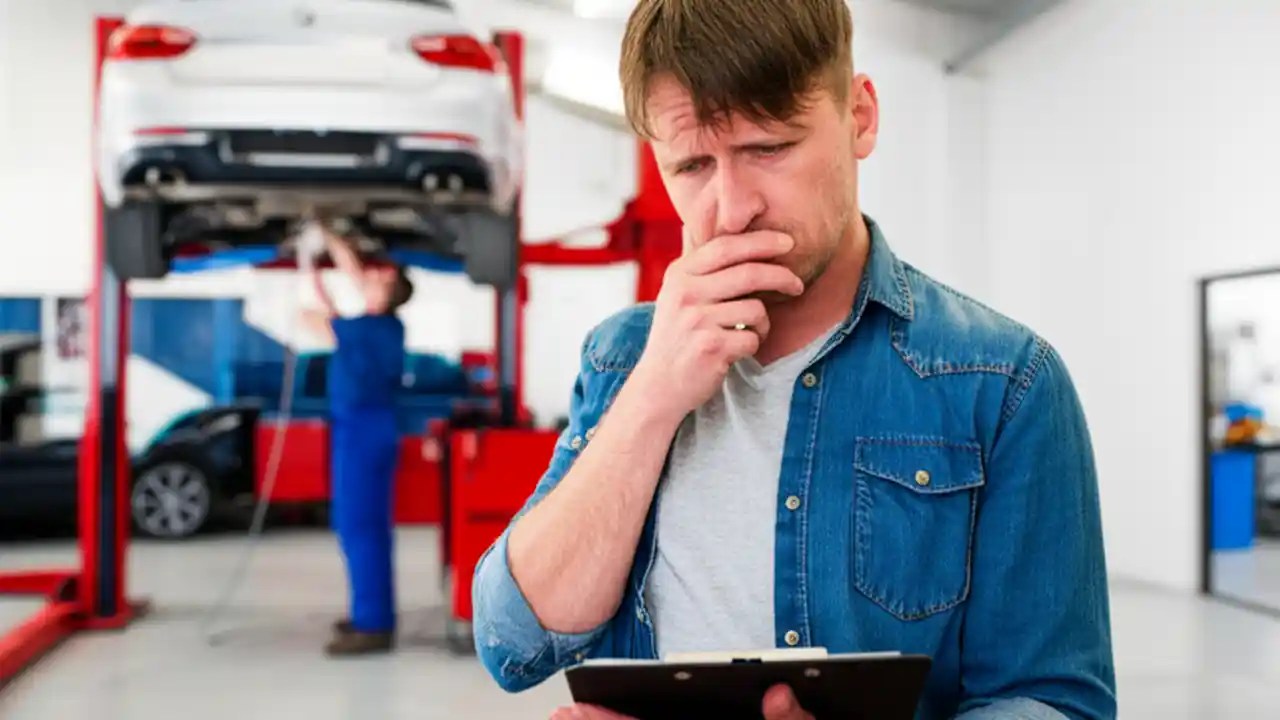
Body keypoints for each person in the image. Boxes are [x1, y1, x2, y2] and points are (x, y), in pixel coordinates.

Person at [472, 0, 1116, 718]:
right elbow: (511, 641)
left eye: (768, 148)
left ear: (860, 117)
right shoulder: (623, 359)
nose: (732, 207)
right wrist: (653, 396)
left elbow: (1052, 702)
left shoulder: (1002, 383)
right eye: (691, 165)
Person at [300, 228, 413, 657]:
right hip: (360, 433)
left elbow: (317, 319)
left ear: (387, 287)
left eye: (377, 275)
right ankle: (369, 612)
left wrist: (315, 273)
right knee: (358, 528)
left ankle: (374, 625)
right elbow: (341, 292)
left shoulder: (374, 331)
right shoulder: (371, 325)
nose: (366, 275)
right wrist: (323, 238)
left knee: (361, 529)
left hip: (365, 435)